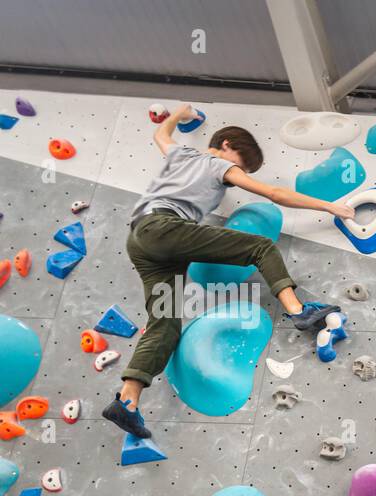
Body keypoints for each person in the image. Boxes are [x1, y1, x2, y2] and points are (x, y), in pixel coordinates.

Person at [105, 103, 355, 438]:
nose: (238, 176)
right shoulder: (216, 163)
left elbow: (160, 133)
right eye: (242, 166)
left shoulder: (178, 155)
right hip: (166, 227)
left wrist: (182, 113)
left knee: (164, 324)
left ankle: (127, 401)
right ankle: (300, 311)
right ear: (226, 145)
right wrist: (330, 206)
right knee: (260, 246)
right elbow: (274, 193)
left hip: (142, 241)